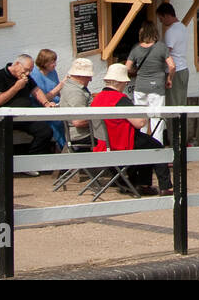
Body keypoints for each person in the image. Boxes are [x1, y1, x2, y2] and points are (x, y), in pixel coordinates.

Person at [90, 63, 172, 195]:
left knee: (147, 144)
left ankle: (140, 184)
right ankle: (165, 187)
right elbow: (139, 123)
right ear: (120, 82)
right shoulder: (120, 99)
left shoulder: (97, 98)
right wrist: (144, 115)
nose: (125, 85)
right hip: (122, 142)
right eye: (125, 83)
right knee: (157, 148)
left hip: (105, 143)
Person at [0, 54, 56, 156]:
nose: (28, 73)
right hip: (5, 118)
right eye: (26, 70)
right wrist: (16, 87)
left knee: (46, 131)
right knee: (5, 139)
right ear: (17, 64)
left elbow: (36, 90)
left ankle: (31, 159)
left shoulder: (27, 77)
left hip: (24, 116)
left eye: (30, 71)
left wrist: (46, 103)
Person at [128, 21, 171, 142]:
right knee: (156, 119)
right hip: (157, 87)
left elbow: (127, 67)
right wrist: (169, 79)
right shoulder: (161, 47)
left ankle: (143, 147)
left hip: (140, 87)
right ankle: (157, 148)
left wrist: (135, 71)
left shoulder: (136, 48)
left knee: (142, 120)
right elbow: (172, 66)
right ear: (155, 32)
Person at [30, 48, 66, 149]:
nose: (55, 65)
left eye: (55, 61)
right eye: (52, 62)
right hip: (41, 107)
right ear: (44, 63)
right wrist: (60, 86)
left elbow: (58, 92)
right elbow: (42, 99)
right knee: (57, 122)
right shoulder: (35, 75)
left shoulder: (52, 72)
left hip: (55, 104)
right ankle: (63, 146)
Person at [157, 2, 189, 116]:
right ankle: (182, 132)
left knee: (172, 106)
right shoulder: (183, 27)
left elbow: (167, 53)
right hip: (184, 69)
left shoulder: (170, 32)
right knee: (181, 104)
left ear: (167, 15)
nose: (161, 22)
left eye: (161, 18)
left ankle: (173, 133)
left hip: (174, 72)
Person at [59, 57, 95, 146]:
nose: (90, 79)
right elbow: (79, 121)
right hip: (83, 136)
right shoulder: (75, 92)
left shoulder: (69, 85)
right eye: (88, 76)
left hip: (79, 135)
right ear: (79, 76)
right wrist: (101, 119)